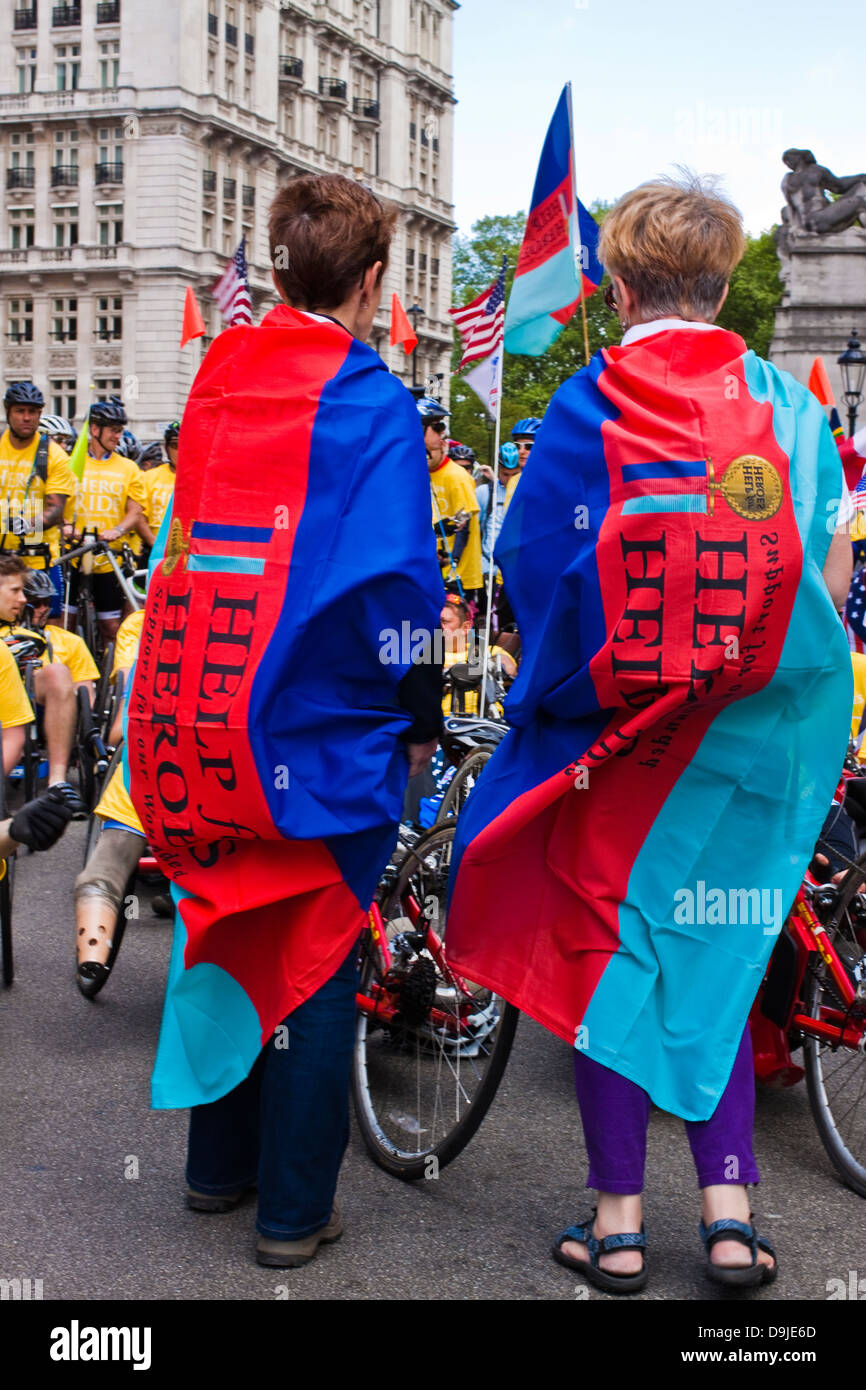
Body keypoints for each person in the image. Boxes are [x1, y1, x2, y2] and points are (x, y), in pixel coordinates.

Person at [444, 173, 854, 1293]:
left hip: (620, 745)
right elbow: (824, 575)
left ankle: (617, 1226)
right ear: (723, 284)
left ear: (619, 285)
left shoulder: (590, 400)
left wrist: (563, 683)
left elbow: (534, 569)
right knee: (713, 958)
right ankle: (729, 1219)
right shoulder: (790, 402)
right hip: (747, 747)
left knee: (606, 967)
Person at [125, 172, 444, 1269]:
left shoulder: (218, 378)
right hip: (315, 732)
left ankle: (217, 1169)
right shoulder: (370, 400)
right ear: (368, 282)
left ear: (276, 269)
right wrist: (420, 715)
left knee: (221, 925)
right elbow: (401, 590)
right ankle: (291, 1211)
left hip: (196, 710)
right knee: (310, 962)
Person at [74, 602, 146, 998]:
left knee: (102, 875)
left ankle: (93, 952)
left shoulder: (151, 641)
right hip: (231, 782)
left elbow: (119, 732)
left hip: (148, 775)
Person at [0, 556, 88, 813]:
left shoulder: (32, 637)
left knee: (58, 672)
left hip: (21, 692)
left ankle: (57, 781)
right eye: (16, 591)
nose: (24, 601)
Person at [61, 398, 148, 643]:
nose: (118, 436)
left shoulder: (129, 468)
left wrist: (118, 530)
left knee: (110, 626)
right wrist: (66, 525)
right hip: (74, 551)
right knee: (66, 624)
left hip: (108, 554)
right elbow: (55, 500)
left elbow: (135, 510)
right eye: (114, 430)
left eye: (120, 430)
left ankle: (112, 677)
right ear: (95, 430)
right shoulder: (70, 463)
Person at [0, 384, 77, 582]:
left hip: (36, 558)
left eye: (32, 412)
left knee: (45, 613)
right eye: (20, 411)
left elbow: (56, 509)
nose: (26, 417)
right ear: (7, 411)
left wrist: (28, 524)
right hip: (1, 554)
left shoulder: (54, 454)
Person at [422, 397, 482, 602]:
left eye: (441, 429)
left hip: (456, 575)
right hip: (430, 570)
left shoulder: (457, 476)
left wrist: (450, 556)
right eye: (437, 428)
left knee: (451, 634)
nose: (442, 436)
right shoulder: (417, 474)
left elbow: (465, 517)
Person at [440, 593, 516, 716]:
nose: (438, 627)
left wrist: (489, 665)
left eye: (445, 622)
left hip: (486, 725)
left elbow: (509, 669)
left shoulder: (490, 651)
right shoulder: (425, 657)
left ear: (466, 627)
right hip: (442, 725)